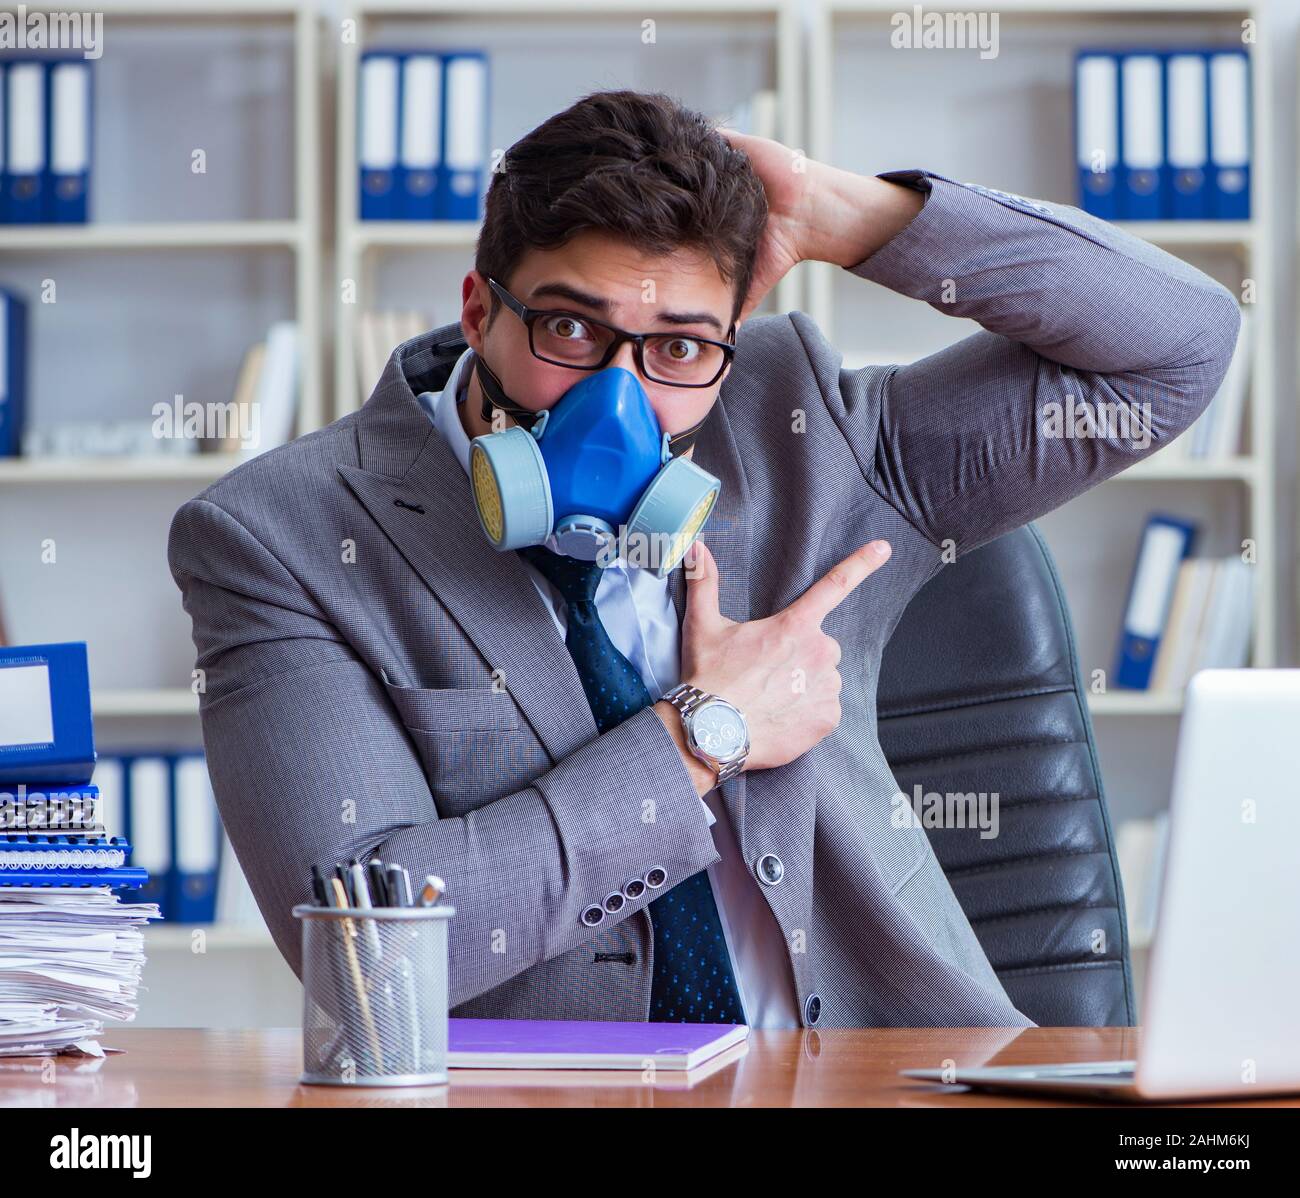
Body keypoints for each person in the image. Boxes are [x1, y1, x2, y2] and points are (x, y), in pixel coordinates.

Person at [168, 90, 1238, 1029]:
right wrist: (698, 737)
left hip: (884, 1070)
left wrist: (854, 218)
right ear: (478, 309)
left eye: (679, 347)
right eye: (571, 332)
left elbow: (1175, 349)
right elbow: (364, 952)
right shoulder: (287, 535)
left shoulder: (796, 425)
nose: (616, 404)